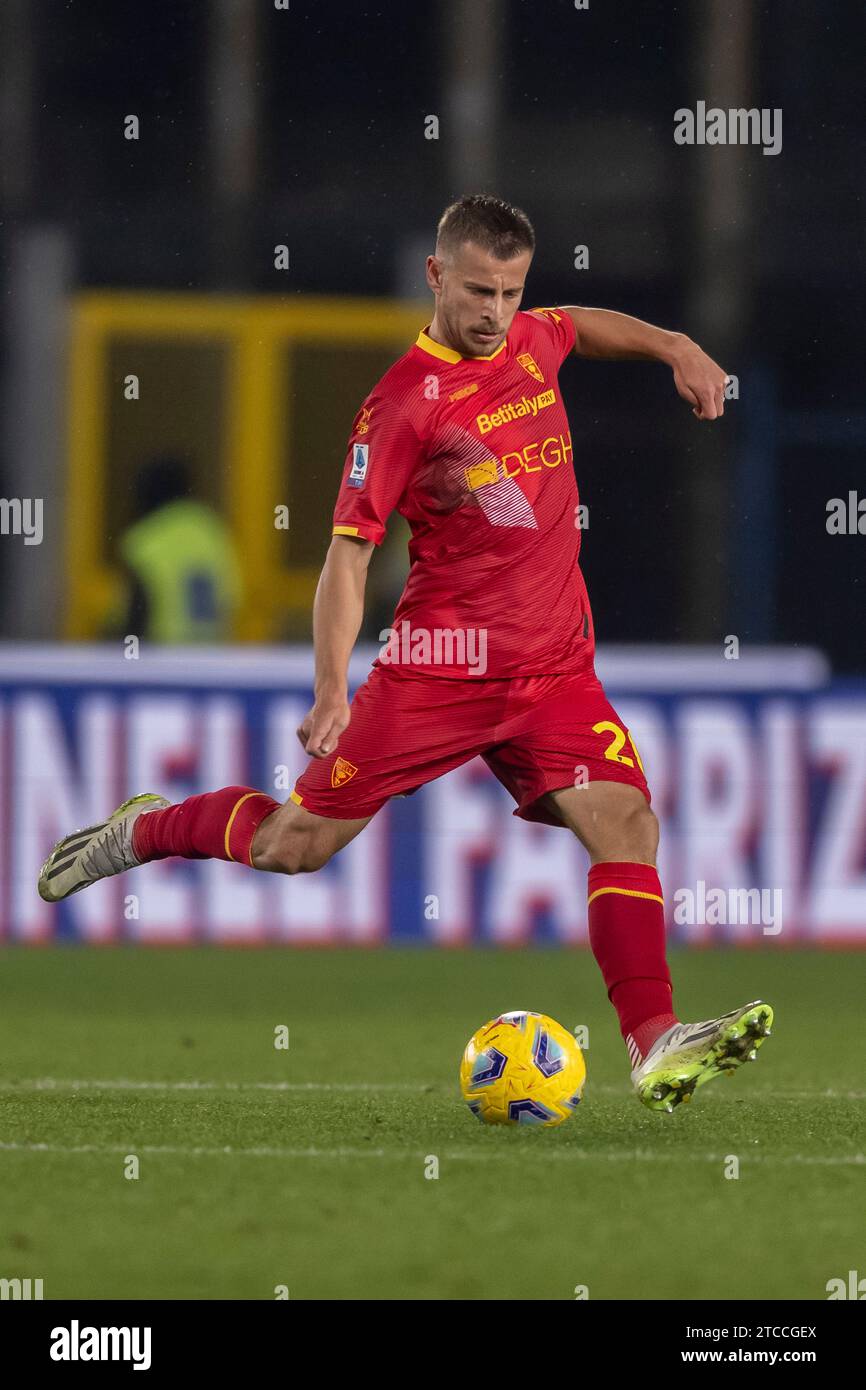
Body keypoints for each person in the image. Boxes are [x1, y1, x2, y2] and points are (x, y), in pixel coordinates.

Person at [39, 195, 772, 1112]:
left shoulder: (528, 339)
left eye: (510, 292)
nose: (495, 313)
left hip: (552, 673)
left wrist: (675, 345)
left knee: (626, 825)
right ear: (436, 276)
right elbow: (347, 557)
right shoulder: (400, 408)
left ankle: (655, 1042)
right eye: (477, 291)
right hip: (435, 672)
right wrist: (330, 687)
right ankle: (143, 829)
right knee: (294, 848)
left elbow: (577, 327)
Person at [111, 455, 242, 644]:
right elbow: (232, 598)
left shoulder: (145, 538)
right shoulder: (211, 529)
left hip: (164, 661)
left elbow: (135, 614)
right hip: (211, 660)